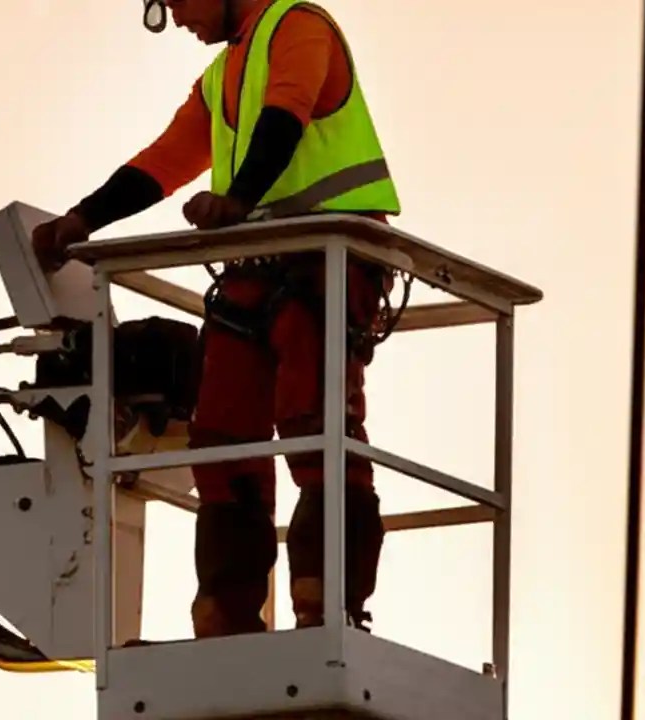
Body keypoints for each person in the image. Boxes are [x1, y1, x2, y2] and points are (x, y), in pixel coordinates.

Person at [32, 0, 400, 637]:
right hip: (255, 270)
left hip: (327, 261)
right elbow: (165, 160)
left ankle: (327, 605)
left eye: (175, 0)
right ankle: (225, 616)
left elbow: (286, 116)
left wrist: (237, 199)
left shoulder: (299, 28)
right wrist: (83, 217)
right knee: (223, 437)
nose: (176, 18)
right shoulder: (223, 76)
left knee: (315, 421)